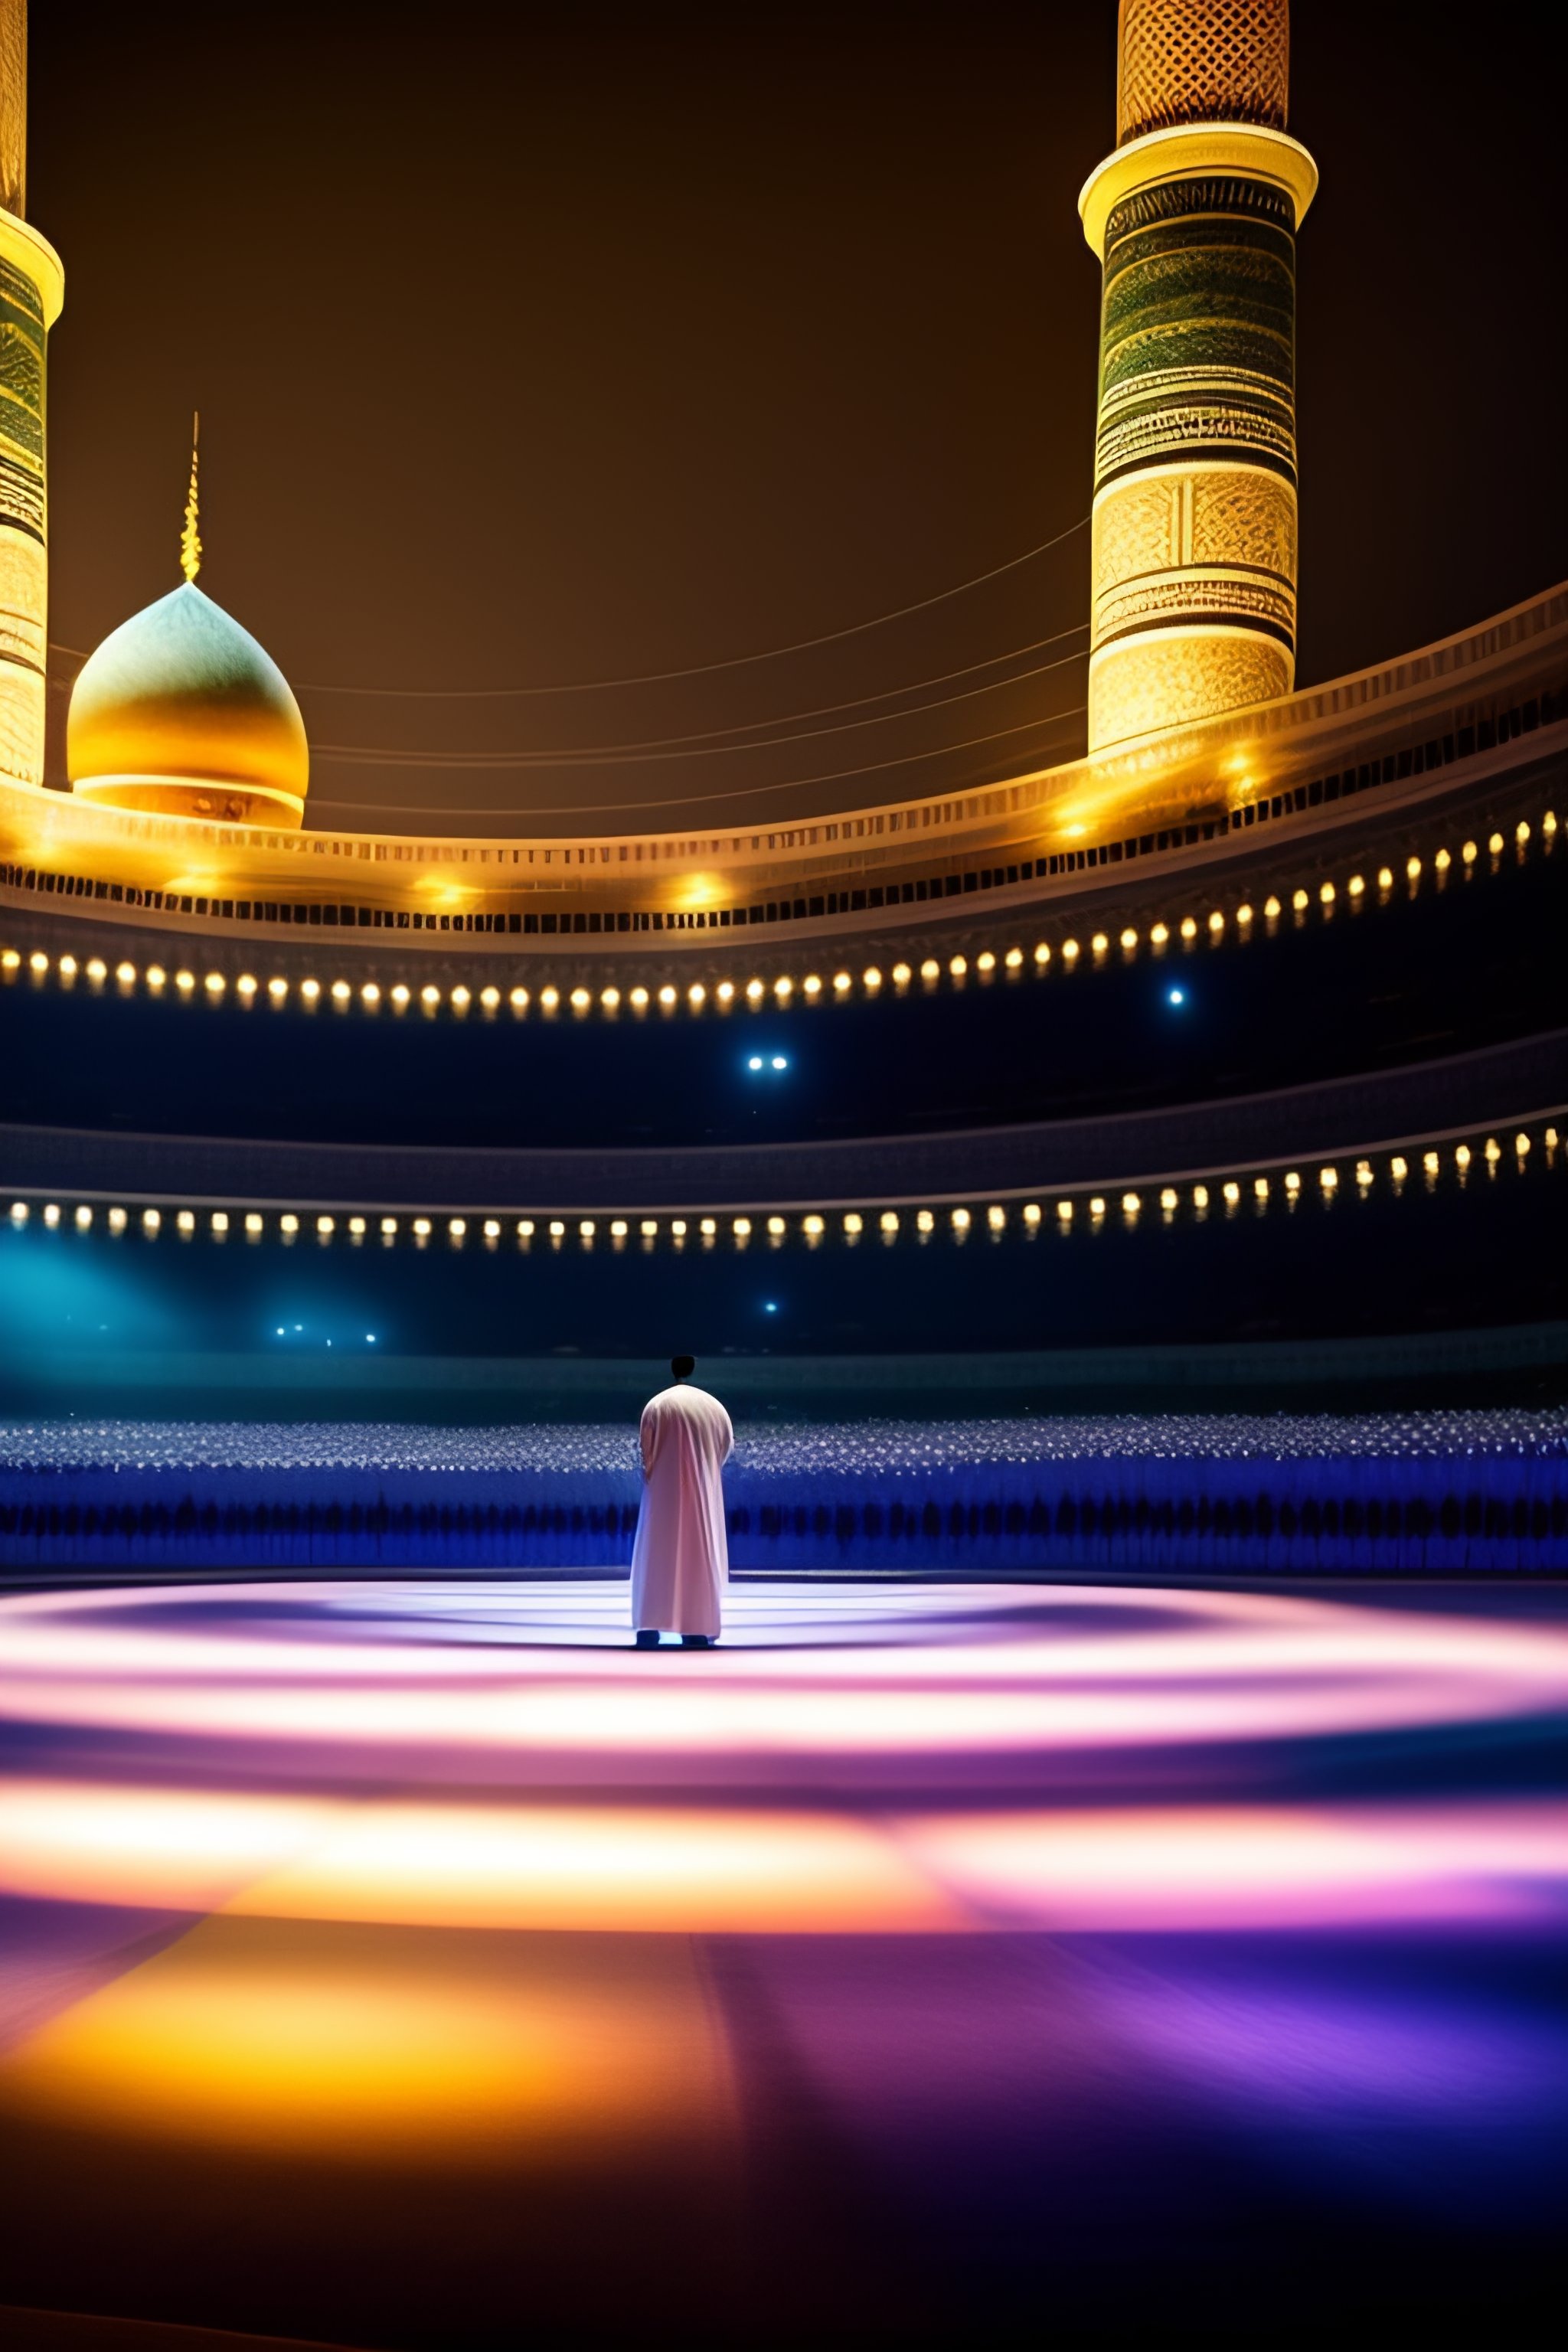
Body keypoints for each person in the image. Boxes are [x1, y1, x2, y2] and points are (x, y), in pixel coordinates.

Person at [630, 1354, 734, 1649]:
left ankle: (651, 1626)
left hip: (663, 1491)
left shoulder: (658, 1404)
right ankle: (696, 1628)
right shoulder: (713, 1406)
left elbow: (646, 1451)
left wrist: (654, 1476)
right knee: (698, 1552)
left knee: (658, 1554)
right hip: (702, 1488)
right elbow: (725, 1446)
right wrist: (706, 1471)